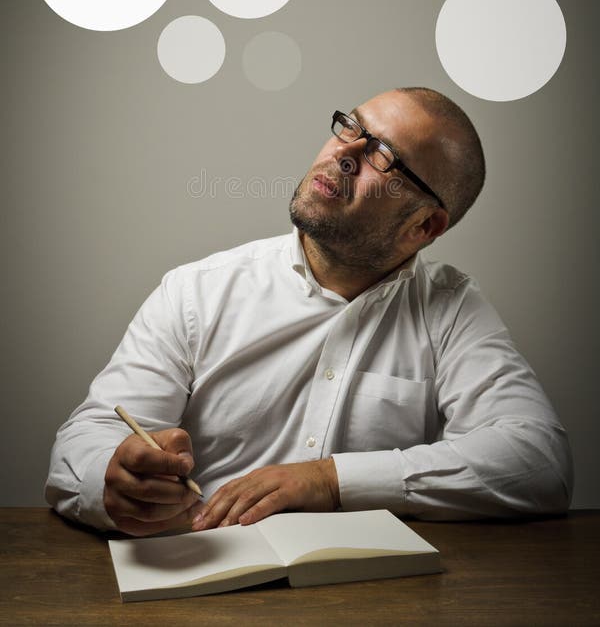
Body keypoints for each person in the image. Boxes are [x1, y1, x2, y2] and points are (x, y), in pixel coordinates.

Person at [45, 87, 573, 536]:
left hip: (371, 601)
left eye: (382, 156)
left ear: (424, 226)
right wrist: (111, 480)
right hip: (202, 586)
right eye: (352, 128)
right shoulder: (196, 292)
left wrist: (327, 480)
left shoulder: (450, 307)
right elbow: (83, 443)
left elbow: (538, 462)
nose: (346, 153)